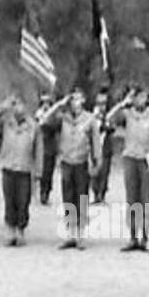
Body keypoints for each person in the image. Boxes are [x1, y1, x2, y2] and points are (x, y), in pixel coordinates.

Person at [41, 89, 101, 250]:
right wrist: (59, 104)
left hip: (82, 162)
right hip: (67, 162)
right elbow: (44, 121)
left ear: (83, 100)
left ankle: (80, 235)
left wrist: (97, 161)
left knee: (81, 198)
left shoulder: (89, 119)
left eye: (78, 99)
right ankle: (70, 234)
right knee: (68, 198)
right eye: (73, 99)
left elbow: (95, 141)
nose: (76, 102)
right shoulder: (63, 118)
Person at [0, 95, 43, 245]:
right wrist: (1, 107)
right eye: (15, 104)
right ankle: (10, 231)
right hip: (8, 166)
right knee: (9, 201)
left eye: (21, 104)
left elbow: (39, 149)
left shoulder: (34, 125)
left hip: (25, 168)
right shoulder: (5, 122)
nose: (18, 108)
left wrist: (39, 172)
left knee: (23, 202)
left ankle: (21, 230)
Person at [109, 87, 149, 251]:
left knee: (146, 198)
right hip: (130, 158)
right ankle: (133, 236)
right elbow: (109, 118)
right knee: (132, 199)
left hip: (147, 160)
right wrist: (122, 103)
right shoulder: (127, 114)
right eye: (136, 97)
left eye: (142, 96)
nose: (139, 100)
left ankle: (145, 238)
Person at [89, 88, 116, 203]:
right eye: (99, 103)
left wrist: (104, 122)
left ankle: (102, 193)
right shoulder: (91, 116)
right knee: (95, 172)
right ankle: (95, 193)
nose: (101, 106)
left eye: (104, 103)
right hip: (94, 148)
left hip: (105, 149)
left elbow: (112, 128)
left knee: (104, 172)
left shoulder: (109, 116)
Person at [37, 92, 60, 206]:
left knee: (49, 172)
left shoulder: (54, 116)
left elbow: (55, 127)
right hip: (40, 149)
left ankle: (46, 192)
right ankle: (42, 193)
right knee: (41, 172)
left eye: (48, 102)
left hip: (50, 149)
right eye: (43, 102)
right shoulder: (38, 115)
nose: (45, 105)